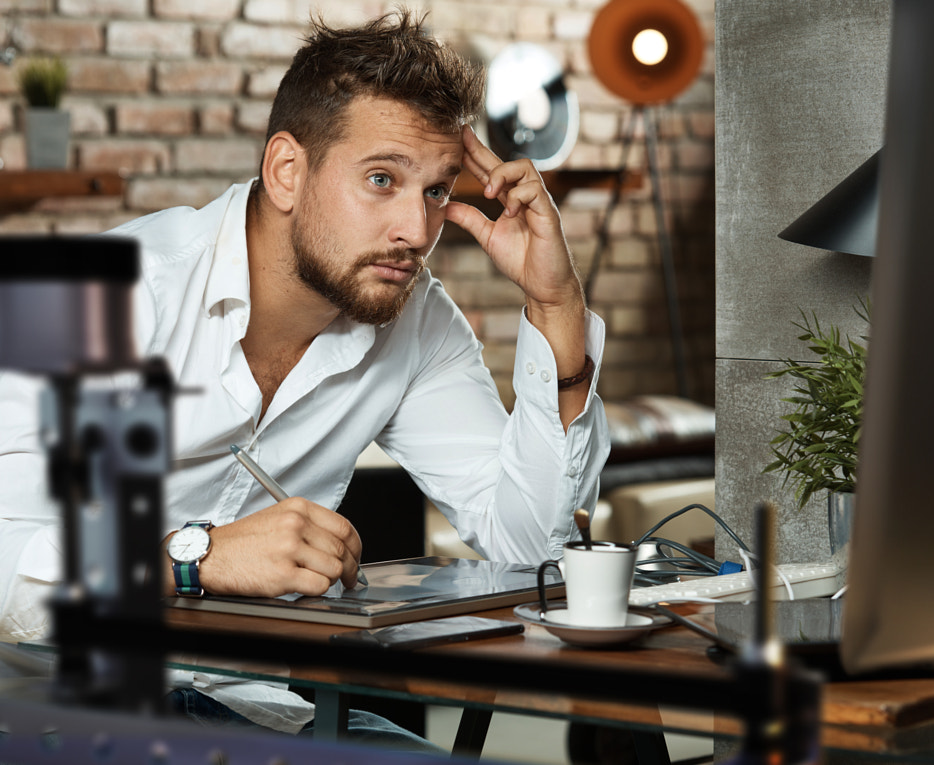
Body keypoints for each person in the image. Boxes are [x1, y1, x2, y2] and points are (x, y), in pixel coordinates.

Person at [0, 9, 608, 749]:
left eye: (438, 190)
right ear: (288, 171)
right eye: (382, 179)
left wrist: (555, 307)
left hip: (248, 711)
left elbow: (532, 550)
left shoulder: (415, 322)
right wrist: (197, 556)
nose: (417, 231)